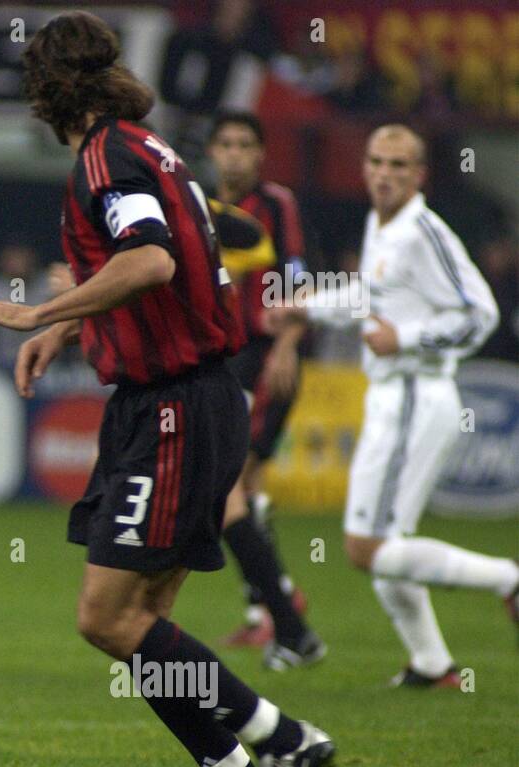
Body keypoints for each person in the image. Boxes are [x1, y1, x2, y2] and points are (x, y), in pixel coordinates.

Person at [0, 11, 332, 767]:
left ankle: (288, 741)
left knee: (107, 617)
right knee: (146, 621)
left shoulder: (108, 157)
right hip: (188, 400)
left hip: (174, 406)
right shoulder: (150, 147)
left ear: (47, 90)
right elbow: (193, 250)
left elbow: (152, 257)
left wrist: (42, 311)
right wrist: (66, 329)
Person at [277, 125, 517, 687]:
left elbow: (480, 314)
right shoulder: (381, 225)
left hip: (415, 394)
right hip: (395, 396)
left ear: (420, 175)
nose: (385, 174)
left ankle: (508, 577)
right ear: (365, 167)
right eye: (377, 162)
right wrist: (306, 307)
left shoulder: (422, 232)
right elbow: (370, 297)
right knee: (385, 540)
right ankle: (432, 665)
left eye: (399, 165)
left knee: (367, 547)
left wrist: (405, 341)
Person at [206, 111, 325, 668]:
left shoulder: (276, 205)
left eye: (244, 144)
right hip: (224, 361)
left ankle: (284, 617)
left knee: (227, 490)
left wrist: (287, 346)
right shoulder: (203, 209)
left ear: (260, 154)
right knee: (242, 490)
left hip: (260, 360)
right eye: (225, 144)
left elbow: (298, 281)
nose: (234, 154)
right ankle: (275, 608)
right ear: (212, 152)